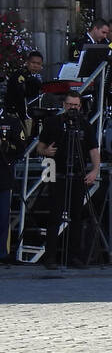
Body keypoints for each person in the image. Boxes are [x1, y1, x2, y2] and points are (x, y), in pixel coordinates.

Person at [36, 91, 99, 268]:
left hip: (78, 174)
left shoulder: (85, 125)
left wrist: (94, 170)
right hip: (57, 173)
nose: (73, 108)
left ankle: (74, 257)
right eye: (70, 105)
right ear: (64, 105)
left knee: (76, 217)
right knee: (54, 216)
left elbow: (94, 150)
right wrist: (46, 152)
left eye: (76, 105)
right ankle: (50, 257)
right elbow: (40, 148)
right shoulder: (53, 123)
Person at [0, 103, 25, 264]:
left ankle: (1, 253)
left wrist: (6, 145)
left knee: (2, 217)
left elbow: (21, 147)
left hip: (3, 174)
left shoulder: (11, 121)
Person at [5, 51, 44, 124]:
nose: (35, 66)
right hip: (19, 114)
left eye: (38, 64)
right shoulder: (19, 75)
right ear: (27, 62)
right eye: (33, 63)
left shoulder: (40, 77)